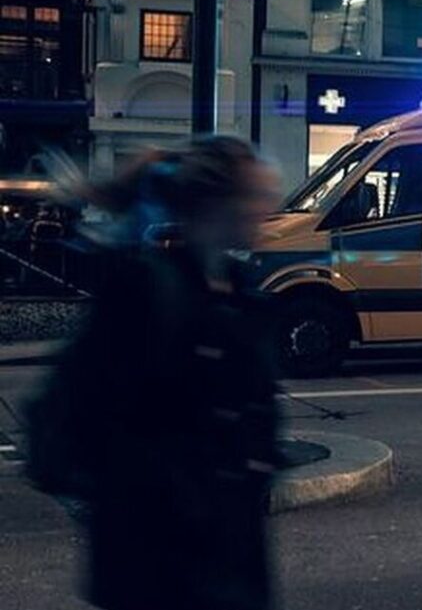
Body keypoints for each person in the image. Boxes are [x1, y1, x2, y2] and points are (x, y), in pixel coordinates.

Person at [24, 135, 284, 610]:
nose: (266, 209)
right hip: (159, 566)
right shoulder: (148, 291)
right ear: (217, 205)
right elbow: (87, 413)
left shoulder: (241, 294)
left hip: (225, 563)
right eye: (255, 197)